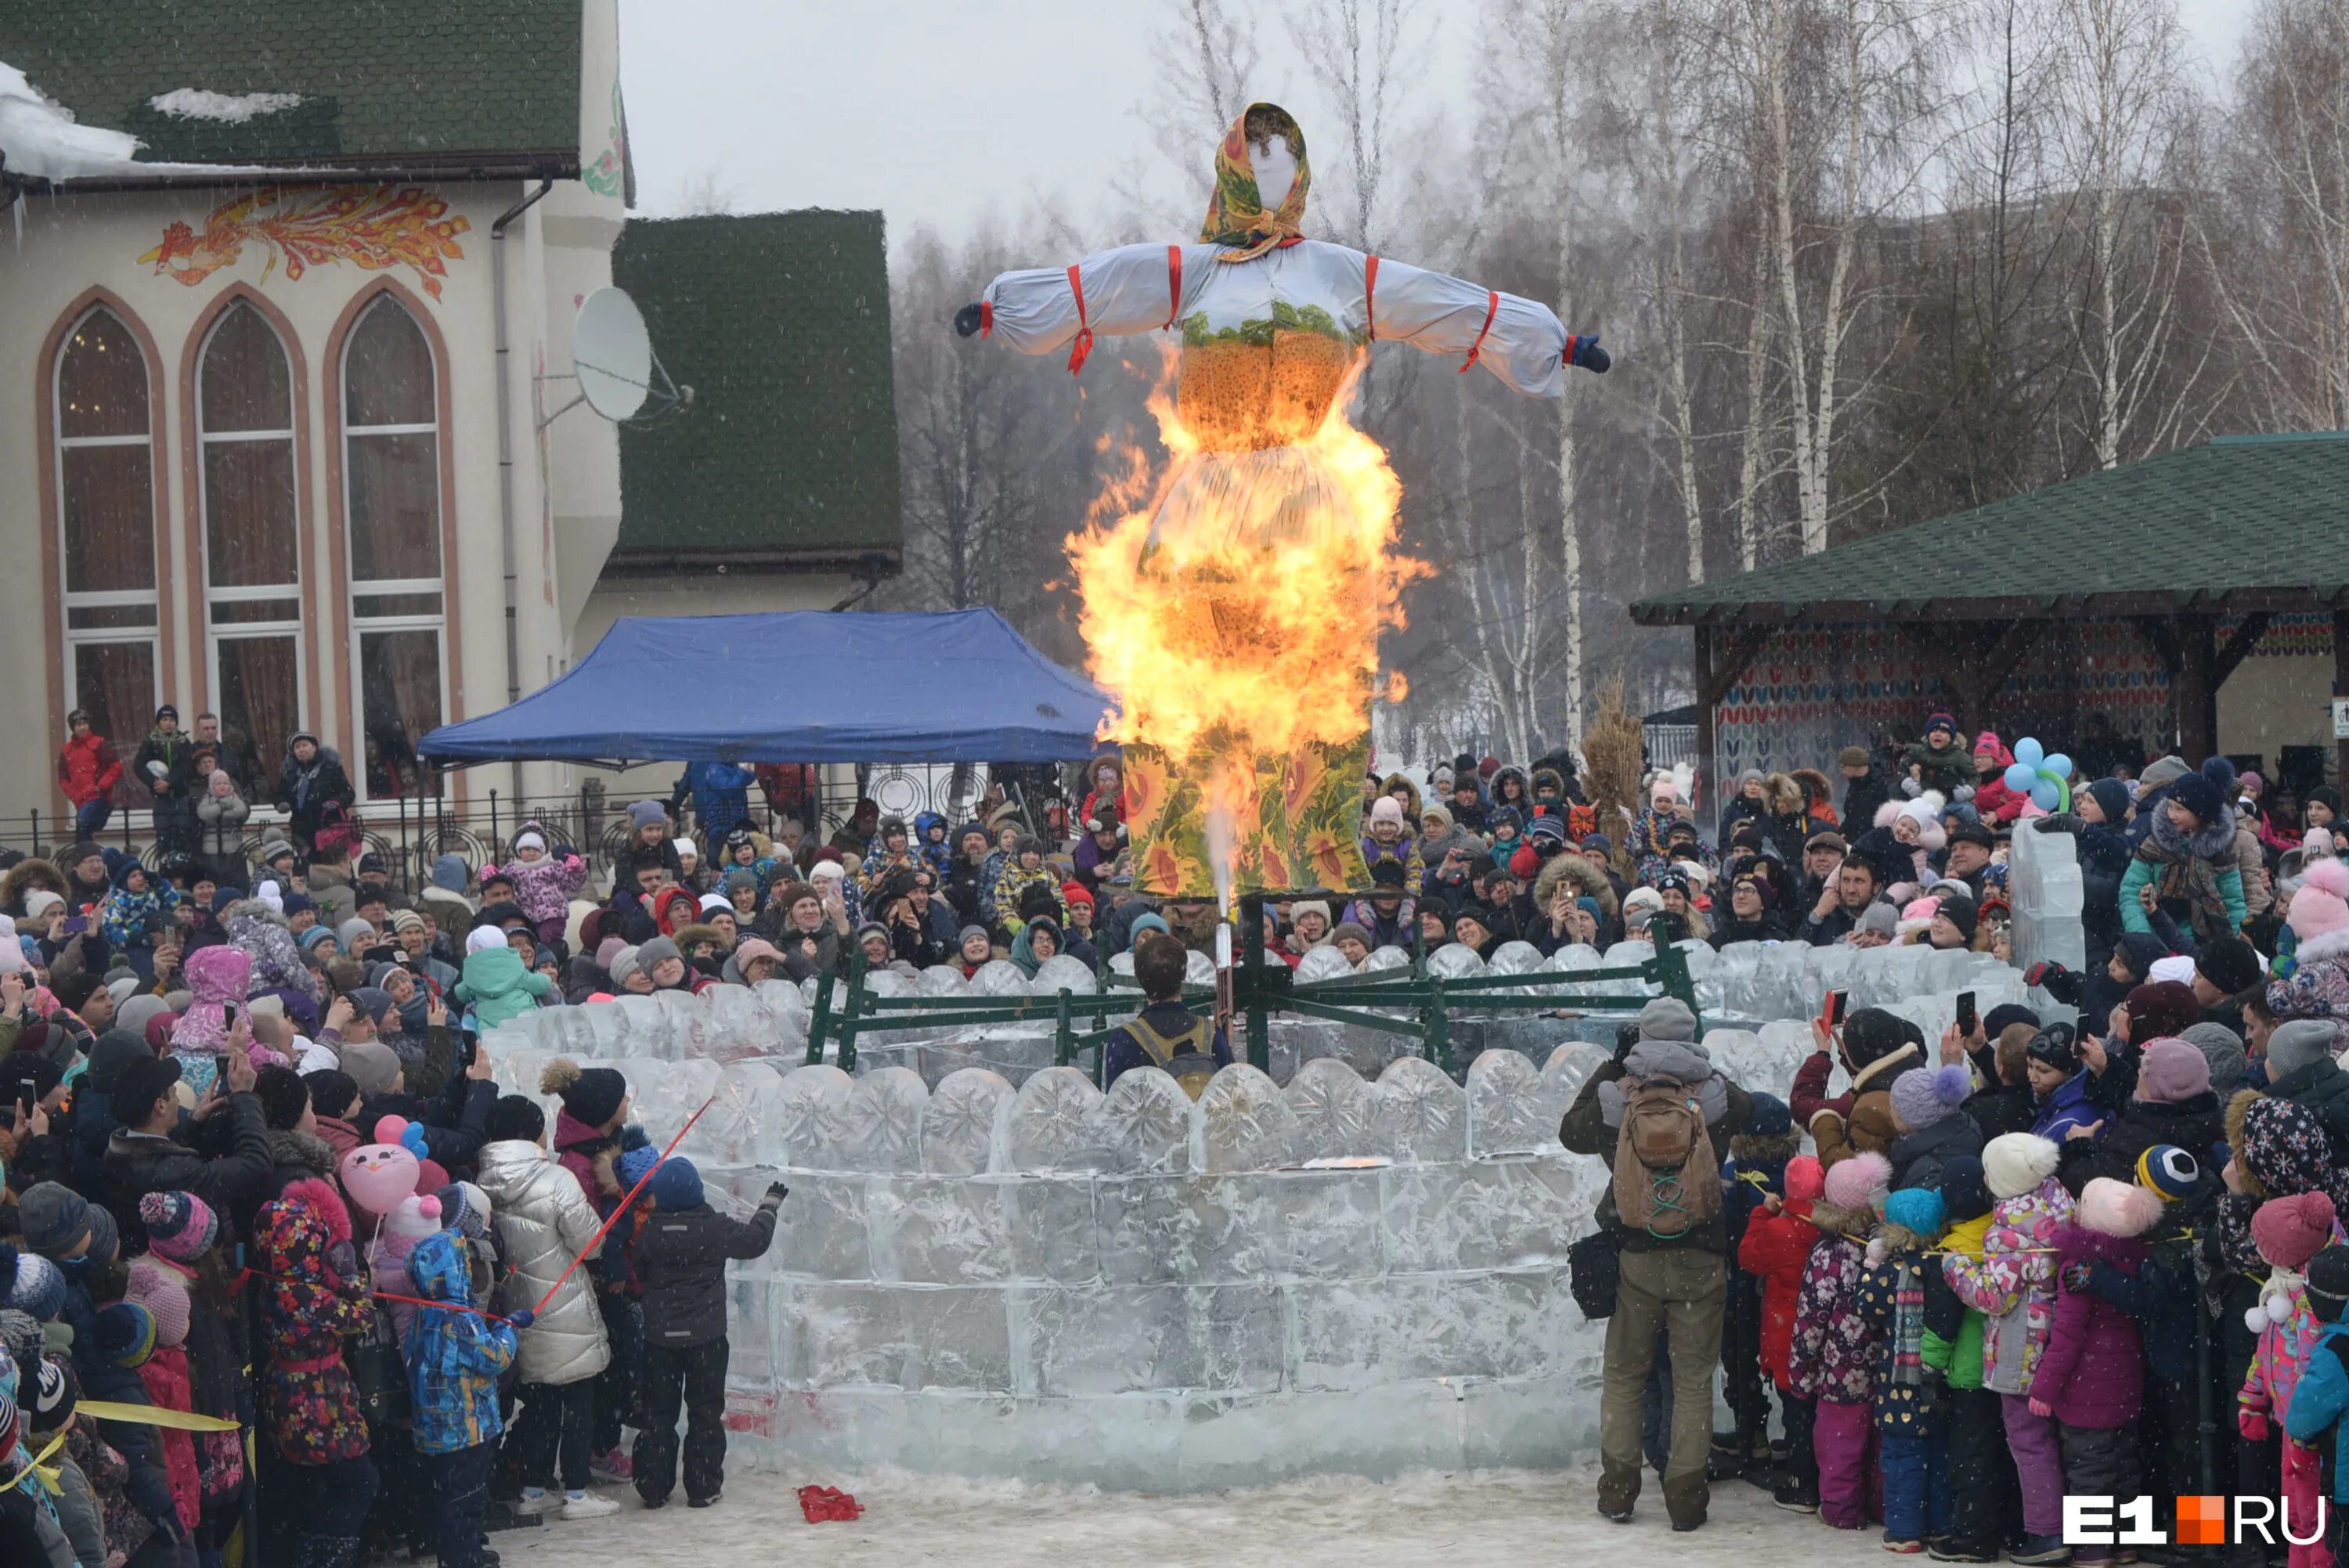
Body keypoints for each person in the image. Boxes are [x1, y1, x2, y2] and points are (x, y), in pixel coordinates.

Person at [1559, 997, 1755, 1530]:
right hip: (1702, 1254)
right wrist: (1699, 1067)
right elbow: (1748, 1106)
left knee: (1625, 1376)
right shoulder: (1713, 1094)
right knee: (1693, 1378)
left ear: (1638, 1037)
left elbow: (1569, 1131)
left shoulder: (1614, 1094)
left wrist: (1615, 1064)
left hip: (1637, 1255)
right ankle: (1687, 1500)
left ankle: (1619, 1492)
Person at [474, 1094, 617, 1521]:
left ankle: (533, 1488)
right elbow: (592, 1245)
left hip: (512, 1309)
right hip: (562, 1305)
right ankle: (576, 1492)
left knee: (536, 1405)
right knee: (577, 1399)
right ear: (534, 1132)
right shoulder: (555, 1179)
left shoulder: (480, 1183)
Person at [1943, 1132, 2075, 1565]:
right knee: (2066, 1441)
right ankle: (2076, 1528)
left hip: (2023, 1349)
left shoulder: (2007, 1231)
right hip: (2063, 1340)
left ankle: (2046, 1532)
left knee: (2028, 1439)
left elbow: (1993, 1297)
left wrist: (1956, 1266)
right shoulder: (2060, 1201)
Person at [631, 1157, 785, 1509]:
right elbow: (755, 1242)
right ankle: (702, 1487)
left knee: (659, 1413)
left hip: (660, 1341)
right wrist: (768, 1207)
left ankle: (654, 1487)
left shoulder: (651, 1231)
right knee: (704, 1411)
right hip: (706, 1339)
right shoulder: (713, 1227)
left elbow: (639, 1270)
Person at [2030, 1178, 2160, 1566]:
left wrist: (2044, 1389)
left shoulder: (2079, 1267)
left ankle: (2092, 1551)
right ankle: (2128, 1543)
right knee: (2125, 1464)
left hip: (2087, 1389)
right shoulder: (2134, 1263)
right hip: (2126, 1383)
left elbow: (2067, 1335)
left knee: (2090, 1471)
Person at [1789, 1151, 1885, 1532]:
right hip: (1884, 1365)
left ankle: (1843, 1510)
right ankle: (1883, 1505)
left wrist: (1801, 1370)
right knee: (1878, 1444)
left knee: (1839, 1444)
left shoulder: (1829, 1253)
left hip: (1840, 1371)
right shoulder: (1885, 1246)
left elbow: (1812, 1318)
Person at [1099, 932, 1229, 1094]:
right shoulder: (1211, 1033)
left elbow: (1116, 1109)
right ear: (1184, 974)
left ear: (1138, 978)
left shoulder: (1125, 1040)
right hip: (1203, 1119)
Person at [272, 733, 355, 855]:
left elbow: (348, 794)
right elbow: (280, 794)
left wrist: (335, 802)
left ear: (314, 748)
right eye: (297, 747)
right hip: (301, 828)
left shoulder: (329, 768)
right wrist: (281, 803)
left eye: (305, 745)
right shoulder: (291, 773)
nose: (301, 750)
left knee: (331, 866)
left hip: (327, 826)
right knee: (304, 866)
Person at [57, 708, 124, 840]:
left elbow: (116, 766)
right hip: (81, 799)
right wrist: (73, 794)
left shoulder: (98, 743)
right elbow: (63, 777)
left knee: (83, 825)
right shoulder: (67, 750)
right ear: (73, 727)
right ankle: (88, 856)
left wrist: (102, 785)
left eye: (85, 723)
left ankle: (85, 856)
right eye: (78, 724)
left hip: (97, 796)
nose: (83, 727)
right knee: (84, 831)